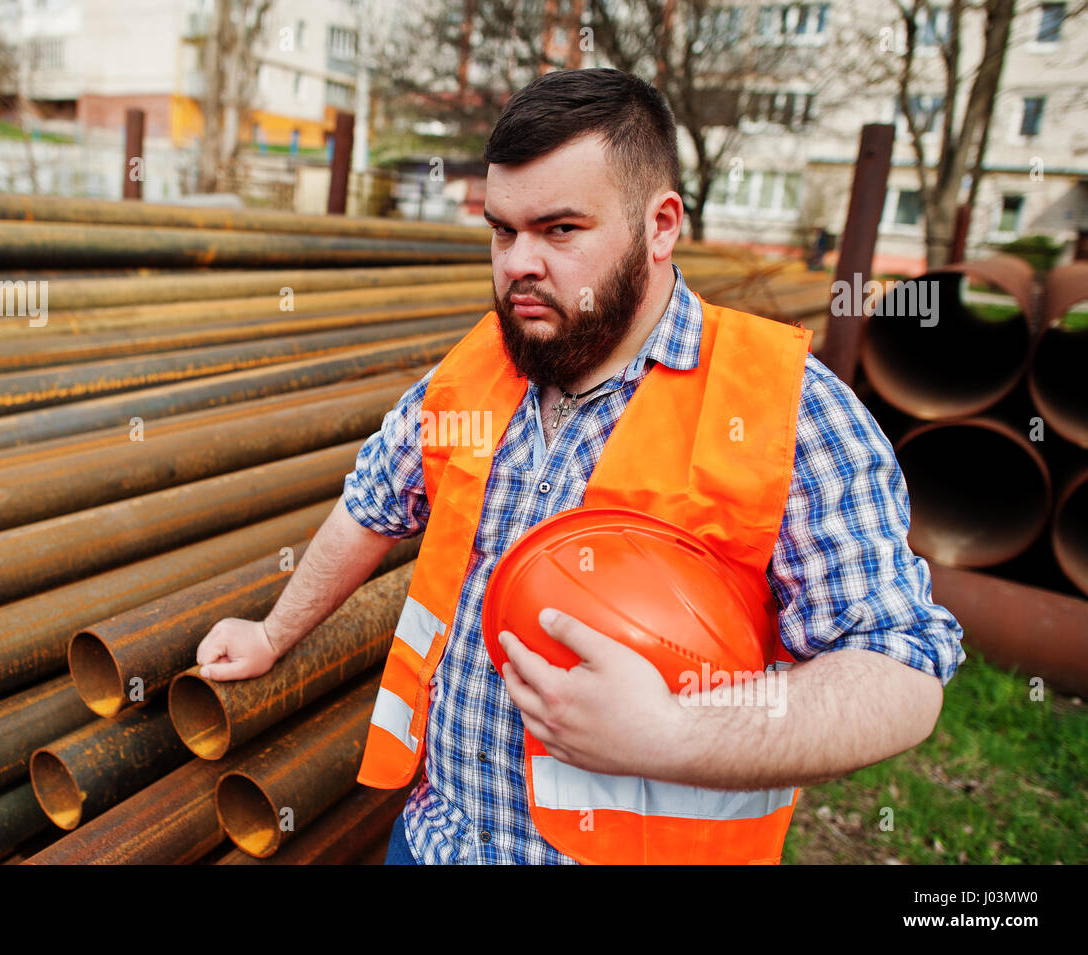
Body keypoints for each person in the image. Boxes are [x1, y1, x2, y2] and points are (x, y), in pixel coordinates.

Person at [194, 68, 966, 865]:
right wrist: (270, 632)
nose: (518, 263)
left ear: (659, 224)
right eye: (502, 231)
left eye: (560, 229)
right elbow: (373, 504)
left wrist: (672, 732)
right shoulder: (475, 373)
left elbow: (899, 670)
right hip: (437, 841)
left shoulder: (790, 410)